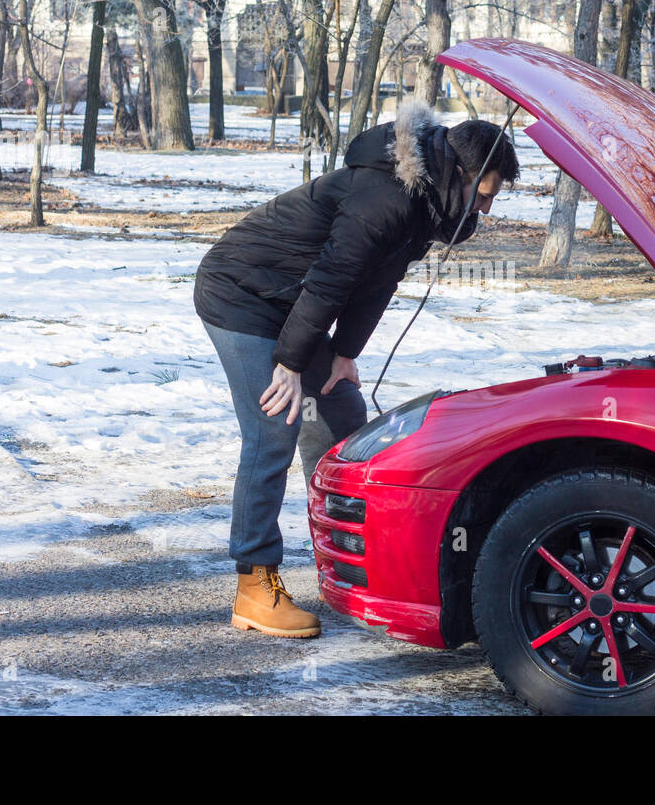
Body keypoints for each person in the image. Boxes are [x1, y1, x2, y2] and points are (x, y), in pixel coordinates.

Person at [194, 100, 520, 638]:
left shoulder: (419, 205)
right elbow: (332, 277)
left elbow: (376, 281)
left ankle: (343, 553)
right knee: (275, 425)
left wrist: (344, 354)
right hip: (240, 293)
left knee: (344, 412)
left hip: (292, 302)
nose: (484, 210)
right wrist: (290, 362)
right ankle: (254, 584)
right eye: (484, 194)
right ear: (458, 172)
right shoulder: (386, 197)